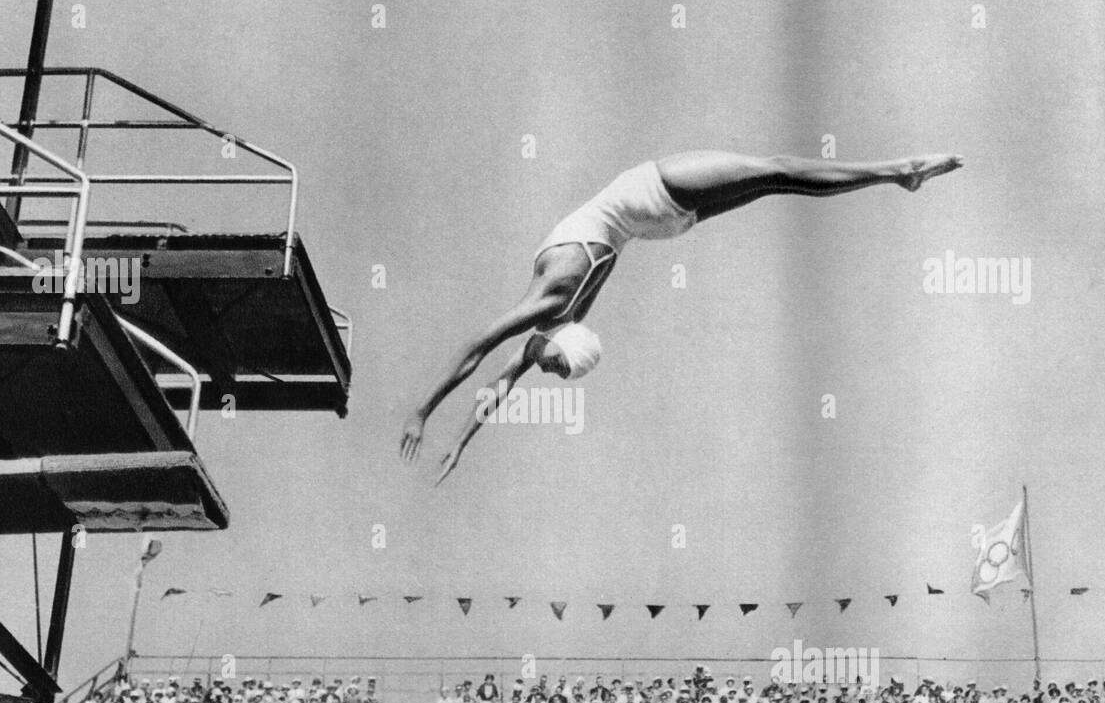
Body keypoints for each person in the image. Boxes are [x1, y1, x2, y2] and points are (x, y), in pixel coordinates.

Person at [400, 150, 962, 483]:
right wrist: (462, 442)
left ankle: (899, 170)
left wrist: (424, 414)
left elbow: (479, 351)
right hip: (653, 214)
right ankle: (897, 174)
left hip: (655, 197)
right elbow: (503, 381)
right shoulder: (559, 318)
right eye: (558, 372)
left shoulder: (554, 298)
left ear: (564, 346)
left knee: (777, 173)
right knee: (776, 176)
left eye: (554, 371)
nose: (544, 370)